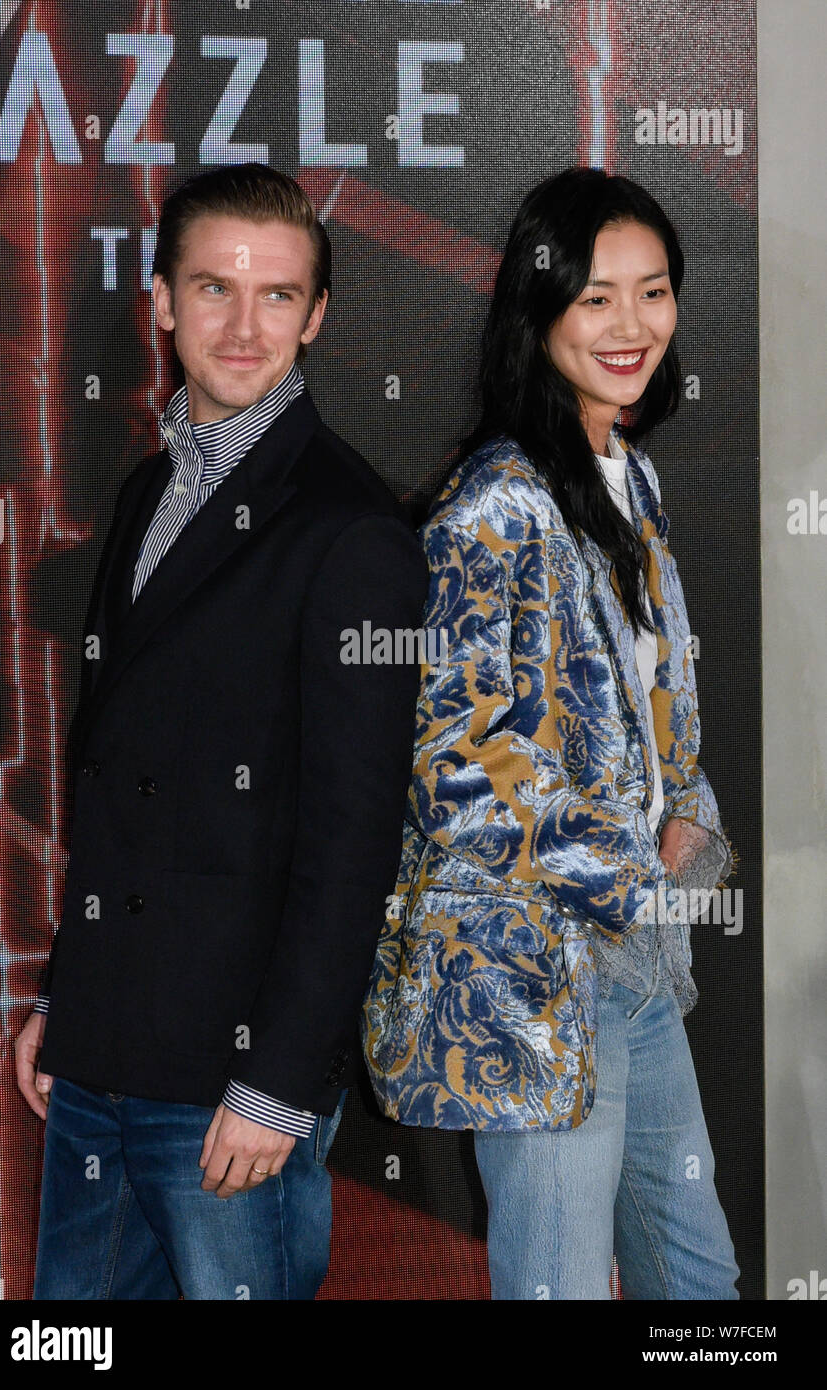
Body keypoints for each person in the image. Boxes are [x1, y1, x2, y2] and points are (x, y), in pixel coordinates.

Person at [14, 162, 427, 1300]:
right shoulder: (144, 494)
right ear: (159, 300)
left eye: (276, 295)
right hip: (98, 1056)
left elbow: (357, 840)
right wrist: (63, 997)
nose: (244, 328)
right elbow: (111, 785)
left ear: (316, 315)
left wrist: (279, 1082)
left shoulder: (352, 530)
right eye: (213, 289)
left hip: (228, 1089)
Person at [363, 166, 741, 1300]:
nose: (631, 326)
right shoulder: (494, 505)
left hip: (635, 964)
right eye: (595, 297)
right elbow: (461, 769)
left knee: (697, 1282)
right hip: (530, 977)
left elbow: (650, 713)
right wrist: (631, 876)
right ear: (538, 313)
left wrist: (686, 821)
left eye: (653, 292)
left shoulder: (630, 476)